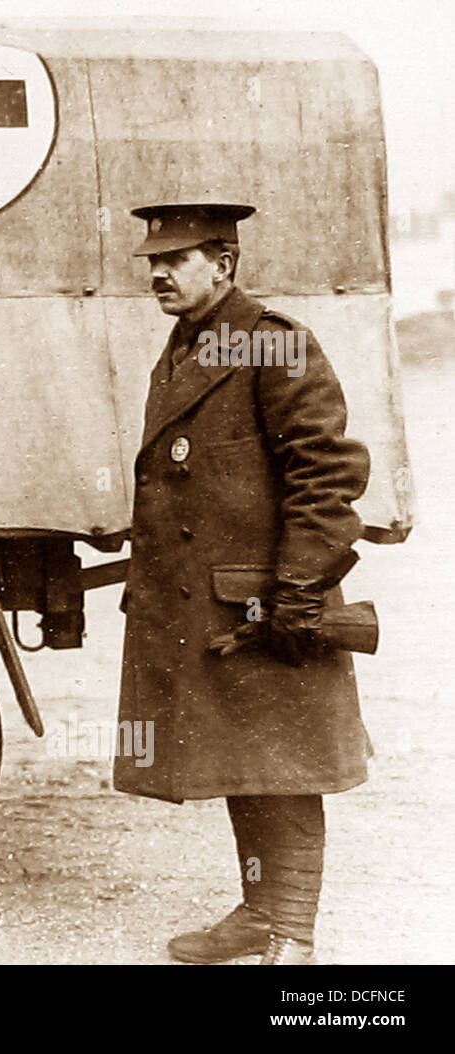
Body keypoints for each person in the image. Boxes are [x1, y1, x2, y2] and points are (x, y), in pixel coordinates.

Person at [115, 202, 372, 965]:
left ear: (224, 262)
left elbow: (326, 476)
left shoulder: (275, 343)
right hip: (215, 604)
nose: (159, 271)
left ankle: (294, 935)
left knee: (285, 768)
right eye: (154, 261)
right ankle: (262, 913)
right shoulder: (186, 344)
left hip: (268, 600)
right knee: (245, 763)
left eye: (180, 258)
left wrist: (298, 591)